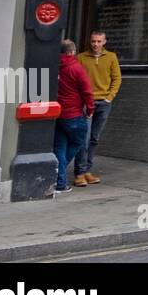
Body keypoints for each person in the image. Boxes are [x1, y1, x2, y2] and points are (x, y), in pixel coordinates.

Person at [74, 31, 121, 185]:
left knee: (94, 138)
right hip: (87, 103)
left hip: (104, 103)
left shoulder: (111, 57)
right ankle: (79, 173)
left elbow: (117, 79)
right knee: (84, 139)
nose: (96, 44)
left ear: (104, 42)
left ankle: (88, 170)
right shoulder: (81, 58)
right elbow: (76, 79)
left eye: (99, 41)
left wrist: (109, 98)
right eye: (93, 41)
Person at [54, 39, 94, 193]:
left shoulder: (54, 66)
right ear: (72, 52)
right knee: (78, 144)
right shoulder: (76, 68)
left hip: (58, 113)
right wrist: (90, 109)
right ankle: (60, 173)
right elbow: (87, 91)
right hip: (74, 114)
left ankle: (60, 183)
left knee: (59, 147)